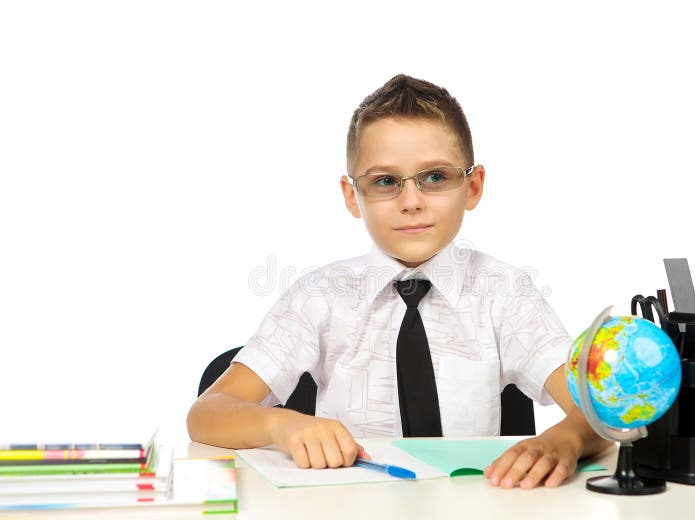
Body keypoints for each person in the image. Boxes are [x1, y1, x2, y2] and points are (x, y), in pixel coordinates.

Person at [187, 74, 610, 489]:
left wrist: (567, 438)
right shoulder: (319, 297)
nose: (412, 202)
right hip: (353, 509)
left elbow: (598, 413)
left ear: (473, 186)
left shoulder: (505, 294)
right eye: (386, 182)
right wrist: (279, 423)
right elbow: (206, 413)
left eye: (436, 177)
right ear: (353, 196)